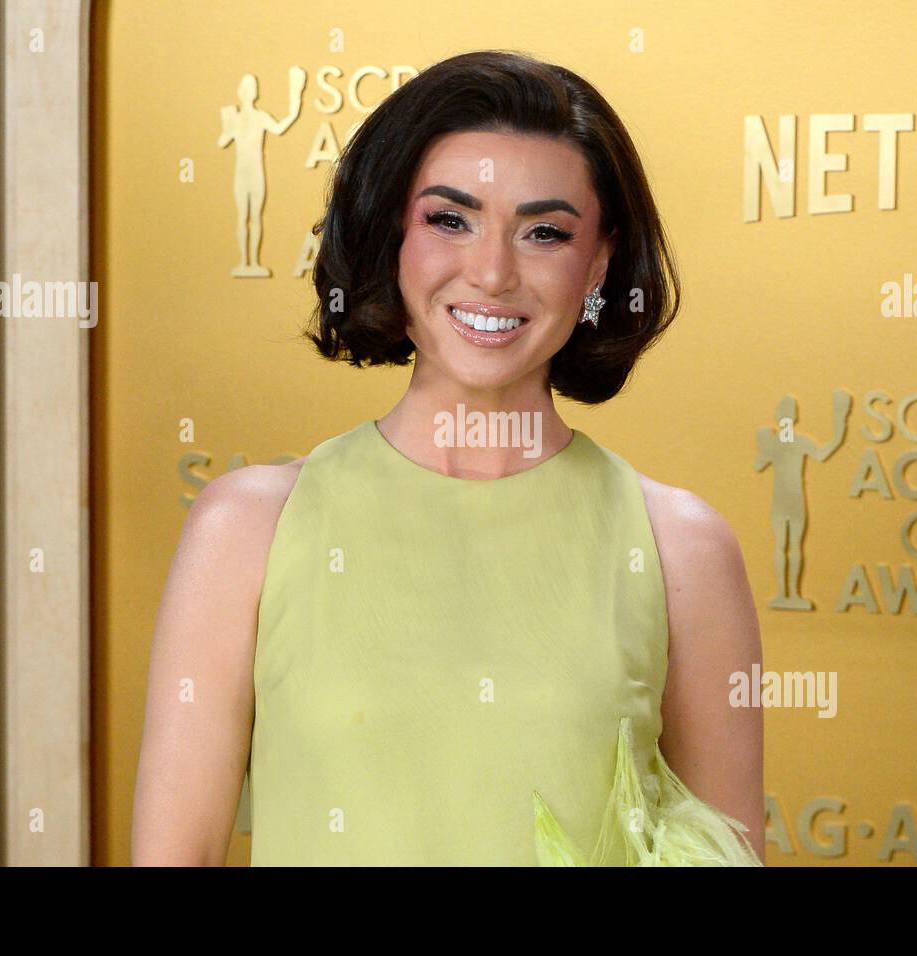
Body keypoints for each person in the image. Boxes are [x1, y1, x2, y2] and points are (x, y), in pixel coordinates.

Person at [132, 49, 765, 866]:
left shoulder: (681, 546)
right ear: (393, 233)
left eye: (544, 232)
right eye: (450, 219)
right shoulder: (249, 528)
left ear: (599, 263)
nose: (493, 273)